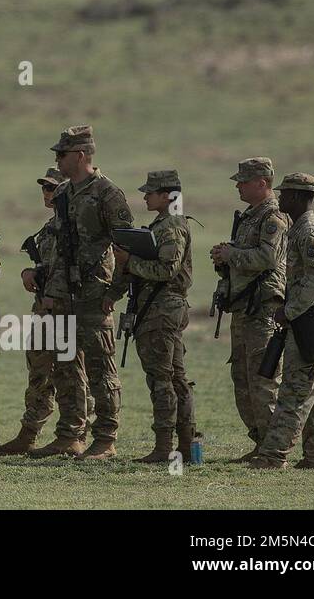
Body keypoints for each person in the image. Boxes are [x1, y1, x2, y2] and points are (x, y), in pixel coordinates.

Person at [29, 125, 133, 460]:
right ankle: (70, 436)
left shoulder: (107, 194)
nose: (57, 160)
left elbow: (126, 248)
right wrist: (50, 290)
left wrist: (113, 292)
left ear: (80, 156)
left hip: (94, 294)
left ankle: (106, 439)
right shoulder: (63, 195)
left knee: (102, 368)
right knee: (66, 366)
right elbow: (59, 249)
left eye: (61, 154)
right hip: (65, 295)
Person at [249, 173, 314, 470]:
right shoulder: (301, 228)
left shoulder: (309, 231)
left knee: (295, 389)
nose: (281, 199)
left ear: (299, 198)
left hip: (311, 321)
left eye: (286, 194)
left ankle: (273, 456)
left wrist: (289, 311)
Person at [106, 170, 197, 464]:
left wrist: (129, 262)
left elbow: (166, 271)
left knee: (162, 380)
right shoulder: (164, 224)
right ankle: (185, 447)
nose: (145, 196)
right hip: (160, 309)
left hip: (161, 311)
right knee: (175, 379)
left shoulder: (170, 226)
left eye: (151, 192)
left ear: (168, 196)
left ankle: (165, 448)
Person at [210, 157, 289, 461]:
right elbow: (246, 257)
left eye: (243, 181)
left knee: (263, 377)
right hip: (243, 307)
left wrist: (233, 254)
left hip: (262, 309)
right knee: (242, 377)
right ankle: (260, 443)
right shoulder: (250, 216)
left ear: (262, 183)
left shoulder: (273, 217)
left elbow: (268, 259)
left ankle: (273, 449)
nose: (238, 186)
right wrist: (225, 258)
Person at [0, 167, 74, 454]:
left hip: (66, 309)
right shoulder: (49, 228)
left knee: (69, 372)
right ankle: (28, 433)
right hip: (44, 307)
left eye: (52, 188)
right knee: (39, 371)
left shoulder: (75, 225)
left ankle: (73, 434)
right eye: (44, 187)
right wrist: (31, 271)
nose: (47, 192)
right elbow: (49, 265)